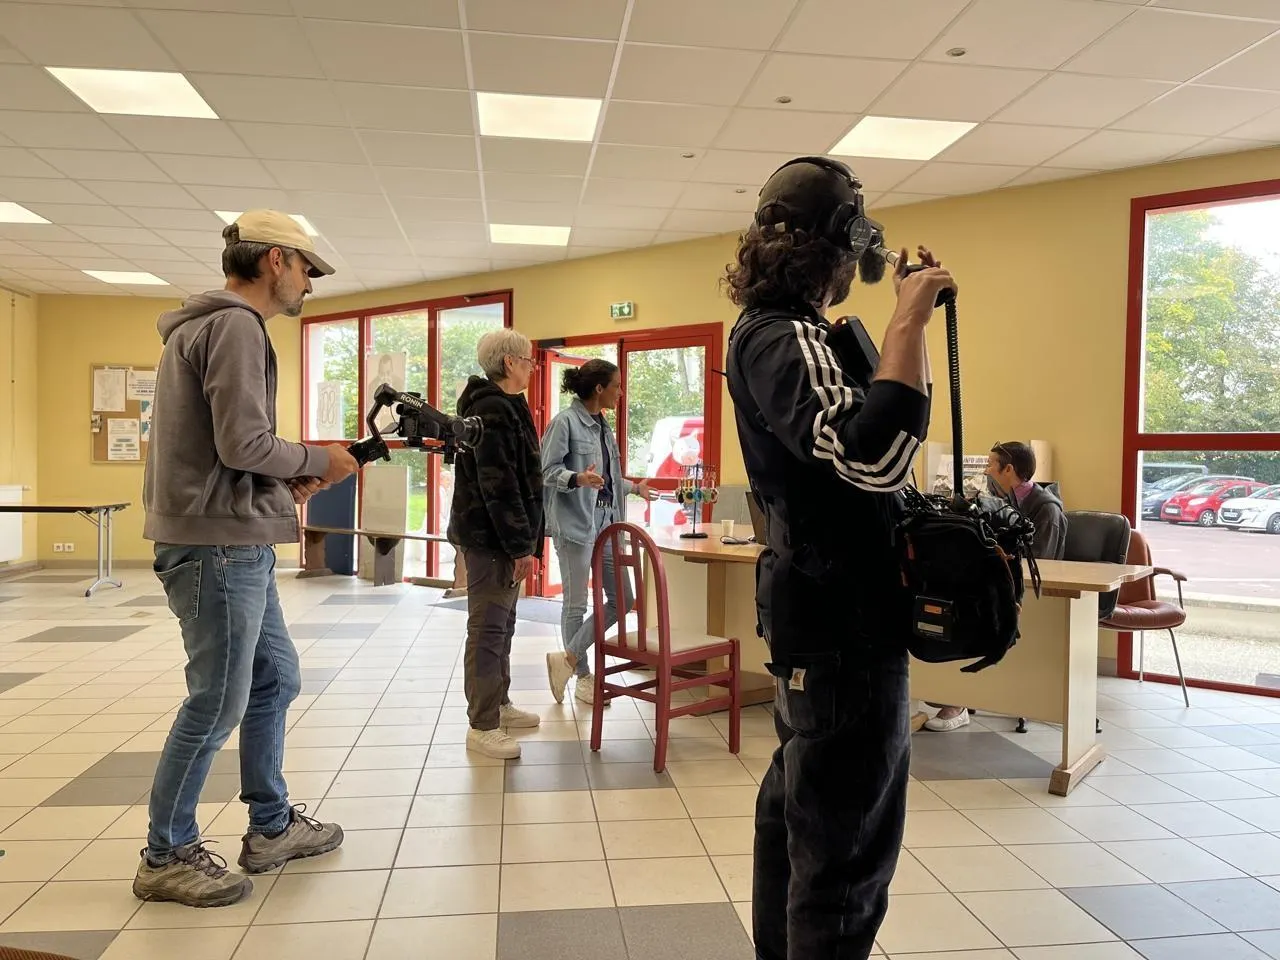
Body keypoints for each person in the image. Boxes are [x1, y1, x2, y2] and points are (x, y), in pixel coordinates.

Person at [724, 156, 956, 959]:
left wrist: (904, 329)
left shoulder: (784, 333)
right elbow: (872, 456)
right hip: (844, 631)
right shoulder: (781, 335)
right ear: (838, 245)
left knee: (801, 821)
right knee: (844, 858)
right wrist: (909, 323)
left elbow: (871, 443)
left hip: (820, 623)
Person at [136, 211, 358, 907]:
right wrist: (321, 459)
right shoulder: (235, 326)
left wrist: (281, 482)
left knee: (275, 680)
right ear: (274, 261)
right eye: (306, 269)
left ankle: (271, 826)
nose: (309, 285)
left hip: (232, 538)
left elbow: (226, 450)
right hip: (219, 549)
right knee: (216, 702)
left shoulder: (201, 328)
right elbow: (243, 444)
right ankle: (165, 854)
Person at [448, 328, 546, 760]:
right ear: (509, 362)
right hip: (491, 540)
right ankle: (482, 724)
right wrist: (521, 545)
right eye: (527, 360)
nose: (532, 367)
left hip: (505, 539)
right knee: (487, 630)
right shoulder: (490, 409)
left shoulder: (510, 405)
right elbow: (499, 486)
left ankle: (499, 704)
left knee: (503, 626)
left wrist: (527, 542)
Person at [925, 441, 1069, 731]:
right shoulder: (1005, 501)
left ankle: (957, 699)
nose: (987, 470)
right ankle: (954, 693)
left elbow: (1038, 561)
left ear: (1009, 469)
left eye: (991, 464)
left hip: (1033, 596)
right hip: (1006, 588)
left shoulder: (1046, 509)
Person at [541, 360, 654, 705]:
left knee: (623, 599)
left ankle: (567, 658)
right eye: (617, 386)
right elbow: (546, 472)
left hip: (607, 524)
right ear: (599, 388)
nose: (621, 392)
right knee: (575, 605)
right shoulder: (564, 423)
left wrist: (634, 487)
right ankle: (583, 677)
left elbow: (607, 479)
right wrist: (577, 478)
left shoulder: (604, 427)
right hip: (575, 526)